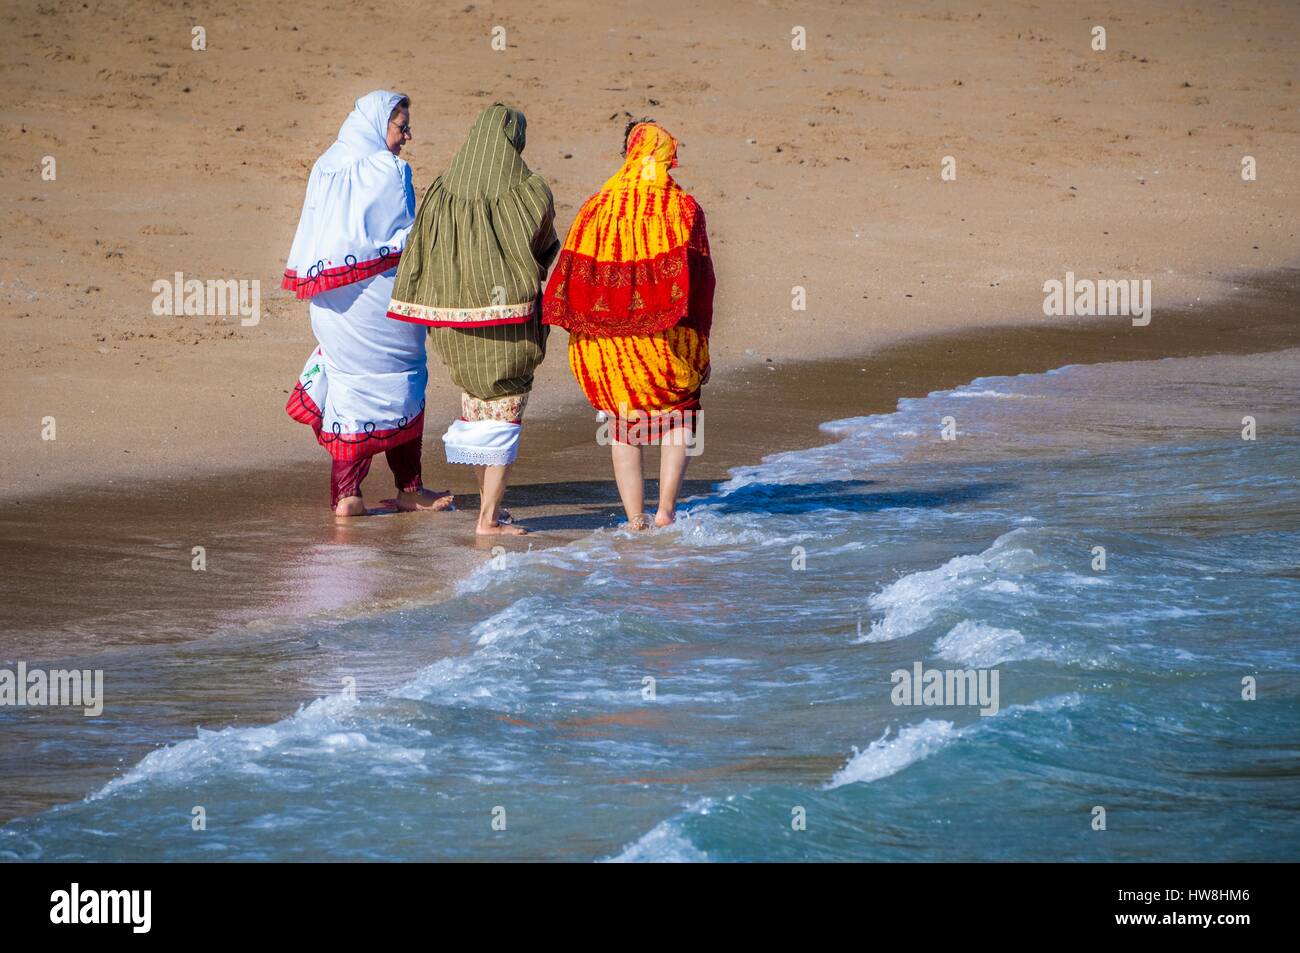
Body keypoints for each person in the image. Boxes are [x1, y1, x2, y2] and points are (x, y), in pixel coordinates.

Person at [388, 103, 559, 536]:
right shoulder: (531, 190)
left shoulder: (442, 189)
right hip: (509, 325)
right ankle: (487, 519)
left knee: (478, 415)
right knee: (504, 417)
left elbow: (421, 244)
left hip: (453, 325)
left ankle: (491, 509)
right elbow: (543, 247)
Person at [282, 90, 453, 517]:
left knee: (350, 383)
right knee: (403, 378)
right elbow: (403, 238)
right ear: (379, 125)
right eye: (402, 126)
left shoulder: (325, 165)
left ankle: (346, 496)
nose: (408, 136)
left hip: (330, 301)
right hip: (380, 295)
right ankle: (409, 488)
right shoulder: (391, 170)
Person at [542, 119, 715, 530]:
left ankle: (635, 518)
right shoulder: (684, 207)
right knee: (679, 414)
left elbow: (572, 276)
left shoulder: (595, 206)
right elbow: (701, 280)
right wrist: (700, 342)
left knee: (624, 423)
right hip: (664, 337)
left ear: (629, 155)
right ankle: (666, 513)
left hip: (607, 342)